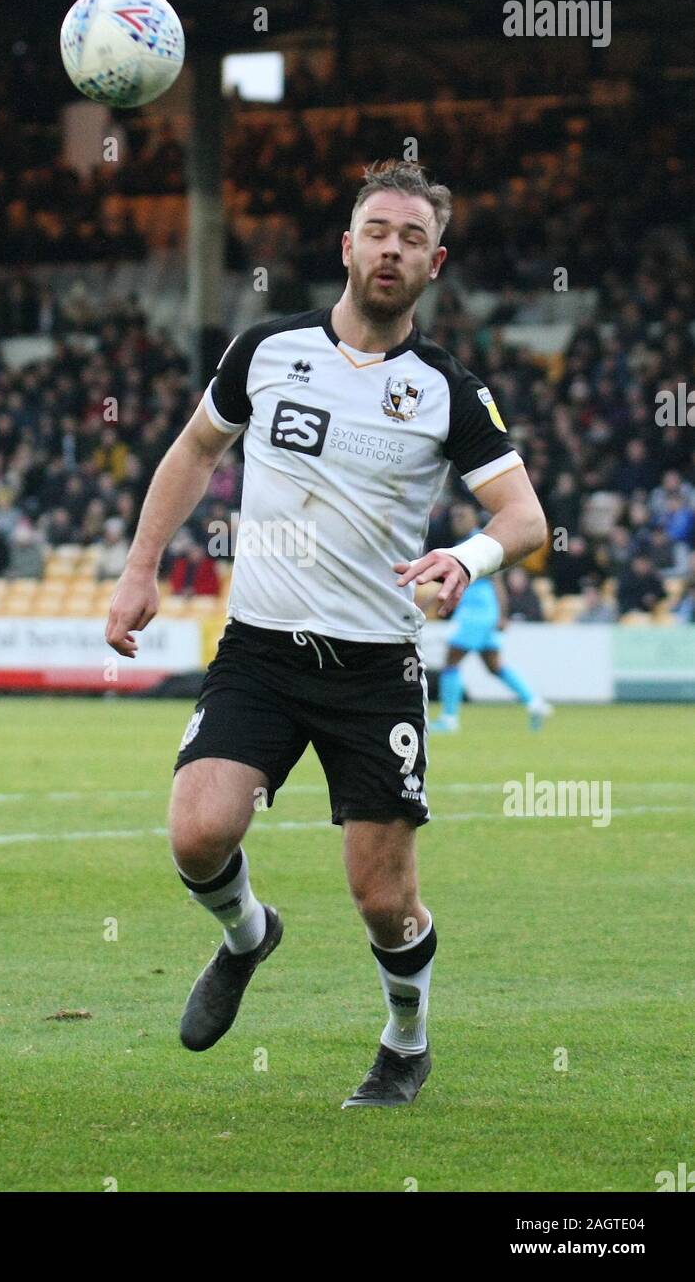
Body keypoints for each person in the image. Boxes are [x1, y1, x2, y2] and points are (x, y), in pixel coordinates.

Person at [105, 160, 546, 1108]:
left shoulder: (446, 392)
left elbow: (525, 518)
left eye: (413, 238)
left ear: (436, 264)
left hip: (372, 670)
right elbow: (193, 449)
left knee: (383, 901)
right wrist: (140, 568)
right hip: (260, 649)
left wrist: (466, 558)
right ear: (347, 247)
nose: (392, 248)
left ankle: (405, 1042)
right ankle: (247, 935)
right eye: (377, 230)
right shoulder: (265, 350)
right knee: (197, 835)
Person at [431, 503, 553, 734]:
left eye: (462, 514)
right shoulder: (465, 542)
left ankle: (449, 718)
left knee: (451, 661)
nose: (457, 519)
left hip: (477, 611)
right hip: (483, 611)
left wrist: (502, 613)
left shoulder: (477, 542)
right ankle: (535, 702)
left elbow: (497, 580)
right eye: (455, 515)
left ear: (474, 518)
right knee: (494, 665)